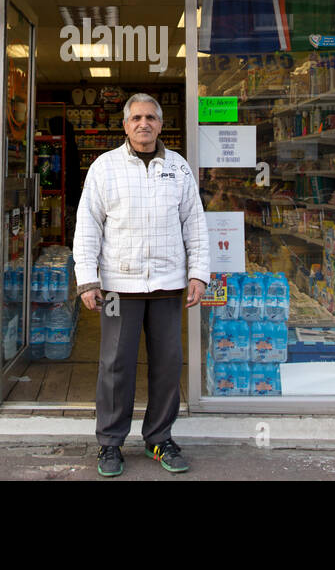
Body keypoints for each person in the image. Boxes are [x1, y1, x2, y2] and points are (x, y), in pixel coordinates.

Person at [72, 93, 209, 477]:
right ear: (125, 124)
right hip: (117, 287)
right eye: (136, 117)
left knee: (167, 363)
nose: (143, 123)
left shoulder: (178, 168)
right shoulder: (105, 167)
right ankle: (110, 443)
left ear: (161, 124)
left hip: (167, 286)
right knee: (115, 363)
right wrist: (87, 280)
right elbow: (87, 227)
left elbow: (194, 225)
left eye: (151, 117)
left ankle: (159, 438)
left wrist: (198, 273)